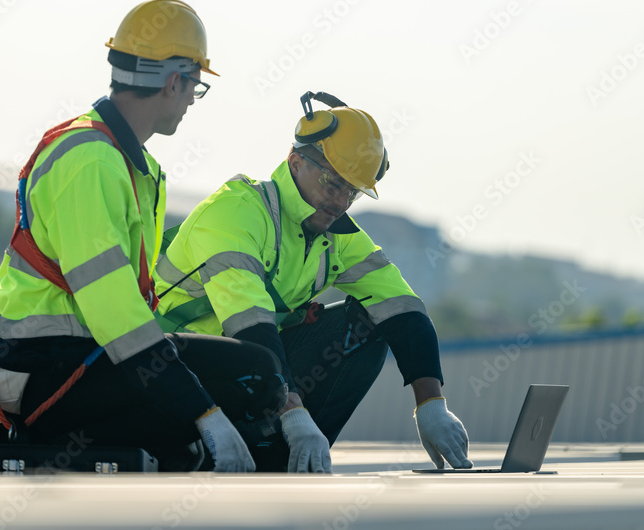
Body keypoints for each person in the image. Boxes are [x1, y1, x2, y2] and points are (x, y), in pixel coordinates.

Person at [0, 0, 286, 474]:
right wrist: (203, 411)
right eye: (195, 86)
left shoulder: (123, 161)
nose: (192, 99)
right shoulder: (93, 161)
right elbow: (115, 312)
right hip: (52, 374)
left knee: (246, 372)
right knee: (251, 374)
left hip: (81, 360)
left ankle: (173, 454)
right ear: (174, 81)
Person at [154, 91, 473, 473]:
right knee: (257, 352)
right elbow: (250, 326)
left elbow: (402, 307)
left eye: (352, 191)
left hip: (249, 368)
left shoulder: (335, 234)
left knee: (366, 322)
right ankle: (285, 435)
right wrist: (294, 414)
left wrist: (431, 404)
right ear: (295, 162)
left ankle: (295, 457)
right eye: (333, 183)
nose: (340, 200)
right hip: (173, 366)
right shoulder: (236, 212)